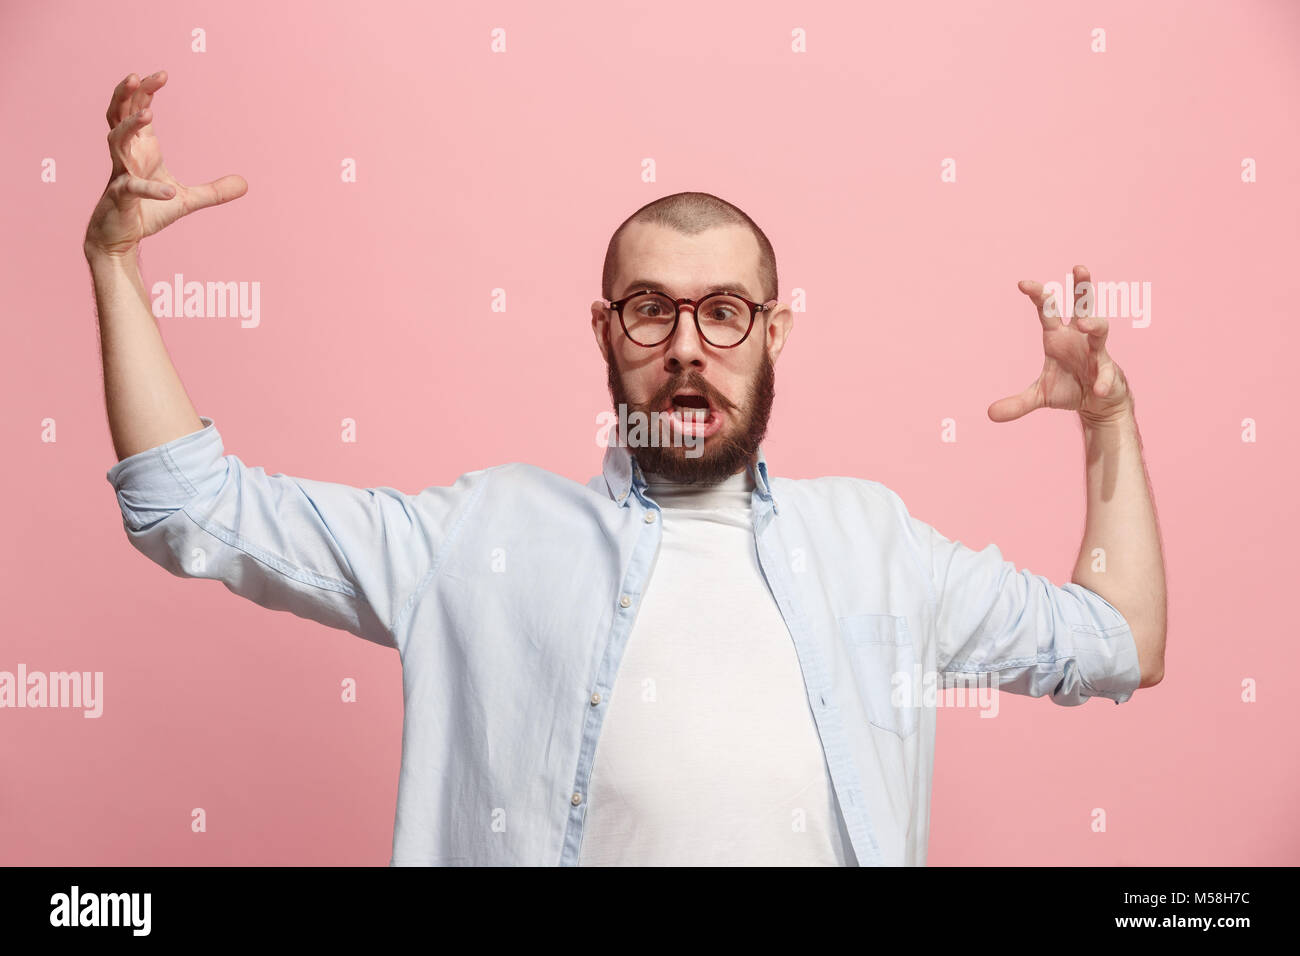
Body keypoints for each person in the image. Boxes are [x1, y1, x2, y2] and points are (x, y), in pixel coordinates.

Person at [86, 70, 1167, 867]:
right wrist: (118, 266)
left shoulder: (877, 547)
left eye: (724, 311)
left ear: (774, 334)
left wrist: (1105, 421)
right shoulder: (478, 538)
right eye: (653, 309)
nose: (688, 345)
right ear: (604, 330)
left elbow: (1119, 642)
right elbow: (189, 506)